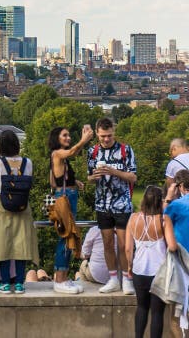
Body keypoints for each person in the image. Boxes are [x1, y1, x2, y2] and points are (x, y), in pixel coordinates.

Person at [87, 117, 137, 294]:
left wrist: (113, 171)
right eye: (102, 136)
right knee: (108, 243)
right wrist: (94, 177)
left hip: (122, 205)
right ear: (97, 134)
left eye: (108, 135)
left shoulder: (125, 150)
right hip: (102, 205)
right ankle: (113, 279)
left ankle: (127, 279)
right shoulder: (92, 152)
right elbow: (89, 178)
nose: (106, 139)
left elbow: (133, 177)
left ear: (114, 132)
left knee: (124, 245)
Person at [0, 130, 39, 294]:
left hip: (3, 206)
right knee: (21, 244)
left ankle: (6, 282)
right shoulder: (27, 162)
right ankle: (20, 283)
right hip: (23, 206)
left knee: (3, 244)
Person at [49, 125, 93, 294]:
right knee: (65, 237)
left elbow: (54, 182)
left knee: (69, 237)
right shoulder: (58, 153)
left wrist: (75, 182)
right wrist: (84, 139)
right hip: (66, 199)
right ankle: (59, 279)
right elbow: (73, 152)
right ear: (56, 138)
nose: (68, 138)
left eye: (69, 135)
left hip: (65, 196)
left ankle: (64, 277)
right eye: (64, 135)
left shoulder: (58, 158)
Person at [125, 185, 167, 338]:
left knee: (142, 307)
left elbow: (128, 248)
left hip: (139, 269)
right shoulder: (163, 220)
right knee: (157, 312)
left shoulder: (133, 218)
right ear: (159, 202)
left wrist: (130, 265)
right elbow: (172, 246)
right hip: (159, 272)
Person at [163, 169, 189, 338]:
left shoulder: (176, 206)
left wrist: (168, 197)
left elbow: (163, 220)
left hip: (180, 265)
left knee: (175, 316)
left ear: (180, 186)